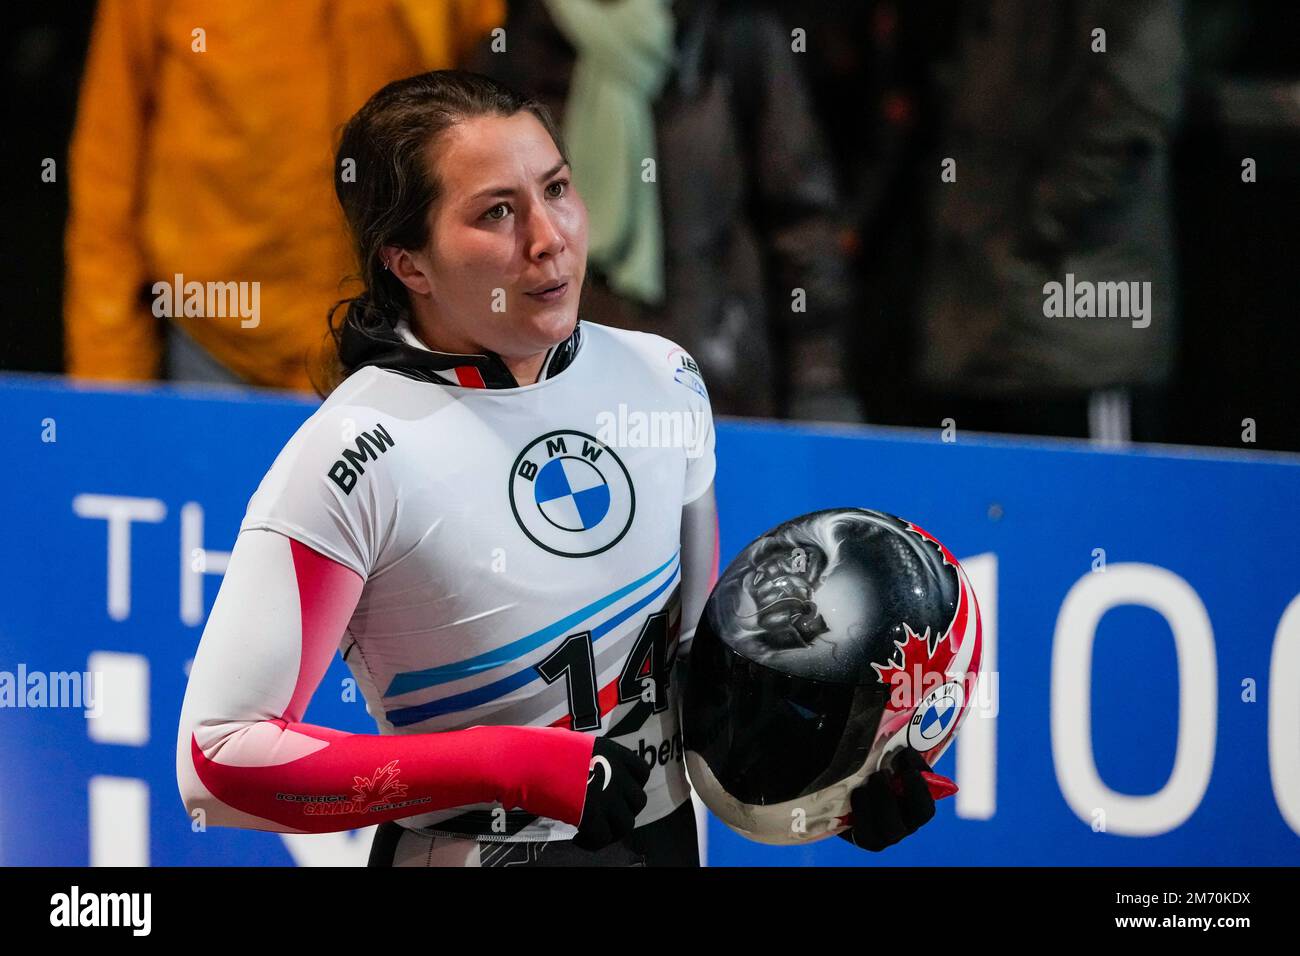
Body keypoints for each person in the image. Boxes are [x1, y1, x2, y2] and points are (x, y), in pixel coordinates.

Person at [176, 70, 719, 866]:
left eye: (558, 188)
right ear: (410, 264)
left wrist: (837, 770)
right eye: (497, 212)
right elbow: (216, 763)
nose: (549, 236)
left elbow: (698, 662)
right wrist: (511, 769)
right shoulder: (355, 452)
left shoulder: (663, 375)